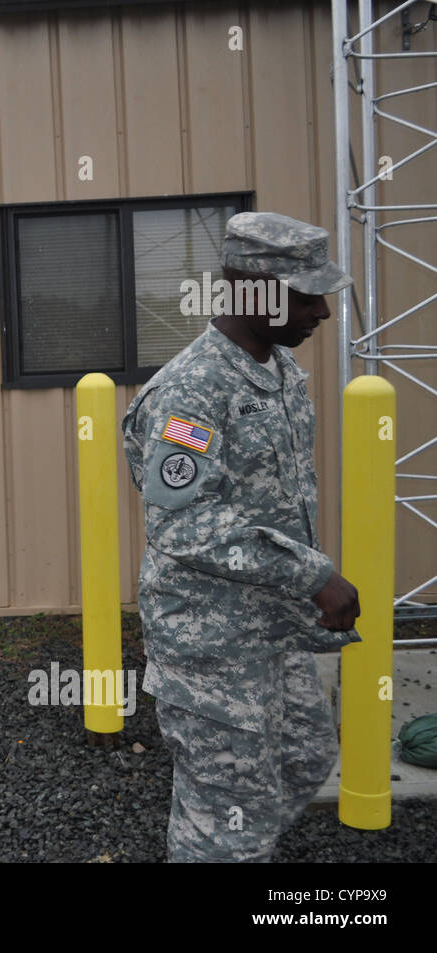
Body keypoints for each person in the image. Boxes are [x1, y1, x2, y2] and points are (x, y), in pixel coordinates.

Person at [121, 211, 362, 862]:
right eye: (307, 294)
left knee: (305, 757)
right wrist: (312, 575)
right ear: (254, 288)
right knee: (228, 819)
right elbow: (183, 520)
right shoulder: (192, 390)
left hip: (269, 630)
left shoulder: (283, 374)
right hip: (211, 646)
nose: (322, 312)